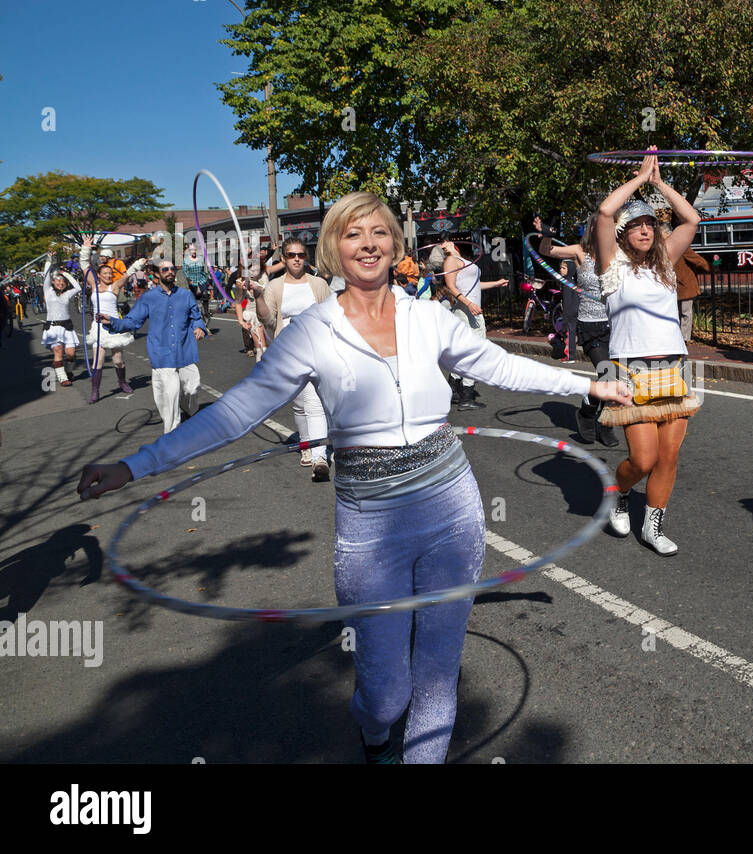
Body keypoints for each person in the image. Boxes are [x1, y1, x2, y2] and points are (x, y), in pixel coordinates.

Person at [78, 190, 630, 764]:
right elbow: (236, 412)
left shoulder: (429, 316)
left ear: (395, 244)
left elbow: (499, 366)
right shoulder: (312, 331)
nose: (368, 244)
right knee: (386, 694)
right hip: (370, 520)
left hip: (452, 506)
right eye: (352, 234)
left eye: (379, 233)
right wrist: (134, 465)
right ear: (333, 249)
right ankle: (374, 737)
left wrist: (588, 385)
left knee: (439, 676)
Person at [596, 148, 701, 556]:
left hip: (673, 365)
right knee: (641, 460)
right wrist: (640, 179)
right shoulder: (612, 268)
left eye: (650, 224)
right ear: (624, 234)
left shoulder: (666, 264)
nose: (645, 230)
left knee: (668, 458)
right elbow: (606, 212)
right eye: (636, 225)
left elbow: (690, 219)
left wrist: (660, 186)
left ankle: (653, 525)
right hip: (628, 369)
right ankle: (618, 492)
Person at [96, 257, 208, 433]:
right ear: (156, 274)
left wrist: (199, 327)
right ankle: (172, 434)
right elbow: (132, 321)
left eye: (172, 269)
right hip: (162, 353)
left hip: (185, 351)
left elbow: (196, 317)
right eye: (165, 270)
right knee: (169, 396)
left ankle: (188, 412)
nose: (170, 272)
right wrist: (112, 322)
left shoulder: (186, 295)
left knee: (192, 390)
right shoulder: (148, 298)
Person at [253, 237, 332, 480]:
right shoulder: (275, 286)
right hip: (288, 352)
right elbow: (267, 319)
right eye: (291, 255)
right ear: (284, 259)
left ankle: (320, 457)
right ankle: (307, 444)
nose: (296, 259)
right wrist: (257, 297)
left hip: (316, 349)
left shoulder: (318, 284)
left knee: (314, 401)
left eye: (300, 255)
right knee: (299, 402)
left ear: (305, 258)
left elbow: (331, 315)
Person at [541, 216, 619, 446]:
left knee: (617, 378)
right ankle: (587, 412)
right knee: (608, 374)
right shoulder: (579, 251)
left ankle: (606, 424)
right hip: (590, 325)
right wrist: (546, 232)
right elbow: (547, 250)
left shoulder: (620, 252)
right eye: (600, 225)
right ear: (592, 229)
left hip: (615, 324)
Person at [440, 240, 509, 411]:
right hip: (466, 312)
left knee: (465, 353)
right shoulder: (451, 260)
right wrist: (468, 303)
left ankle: (453, 390)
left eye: (446, 241)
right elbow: (450, 286)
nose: (444, 243)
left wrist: (496, 283)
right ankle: (467, 396)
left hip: (471, 312)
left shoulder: (462, 260)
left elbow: (475, 286)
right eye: (442, 243)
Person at [80, 239, 144, 403]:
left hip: (114, 325)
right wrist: (86, 249)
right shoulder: (93, 285)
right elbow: (85, 266)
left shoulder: (114, 286)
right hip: (98, 327)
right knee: (98, 360)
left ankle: (122, 382)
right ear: (99, 275)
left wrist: (138, 263)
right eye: (106, 273)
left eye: (110, 273)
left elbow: (127, 274)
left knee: (118, 360)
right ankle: (95, 391)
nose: (109, 275)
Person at [41, 255, 80, 386]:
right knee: (58, 351)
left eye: (62, 281)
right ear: (53, 282)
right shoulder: (48, 291)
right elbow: (46, 276)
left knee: (70, 354)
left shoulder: (67, 293)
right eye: (57, 280)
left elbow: (78, 288)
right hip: (53, 328)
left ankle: (68, 371)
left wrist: (66, 274)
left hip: (67, 327)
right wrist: (49, 260)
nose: (60, 283)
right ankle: (62, 378)